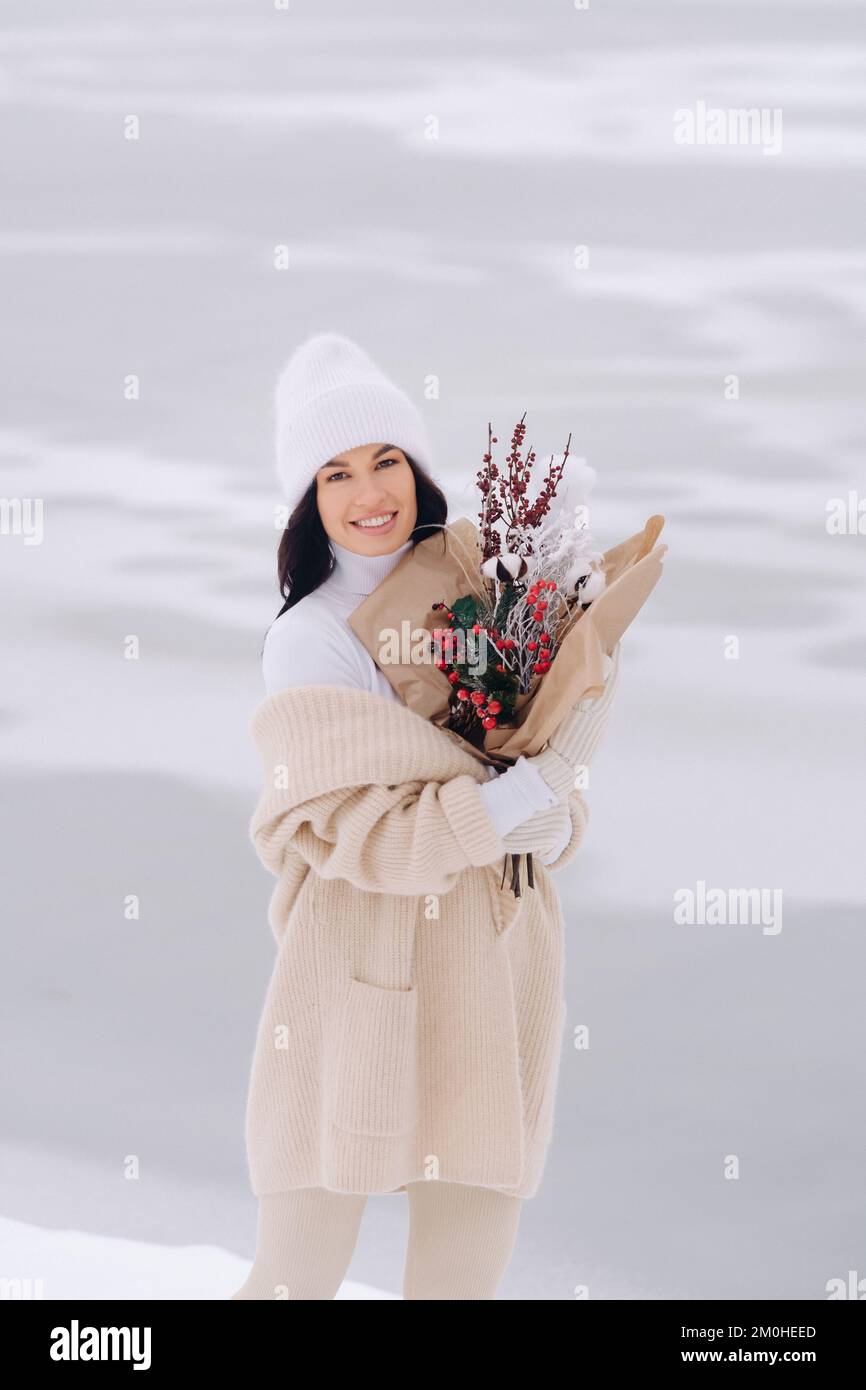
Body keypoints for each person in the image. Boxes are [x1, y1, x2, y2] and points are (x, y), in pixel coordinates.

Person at [232, 333, 621, 1300]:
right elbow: (357, 834)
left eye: (387, 460)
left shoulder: (489, 588)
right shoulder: (310, 640)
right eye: (337, 473)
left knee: (460, 1286)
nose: (371, 492)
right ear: (307, 502)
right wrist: (512, 802)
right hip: (357, 970)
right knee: (294, 1280)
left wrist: (556, 815)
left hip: (492, 969)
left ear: (417, 470)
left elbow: (536, 770)